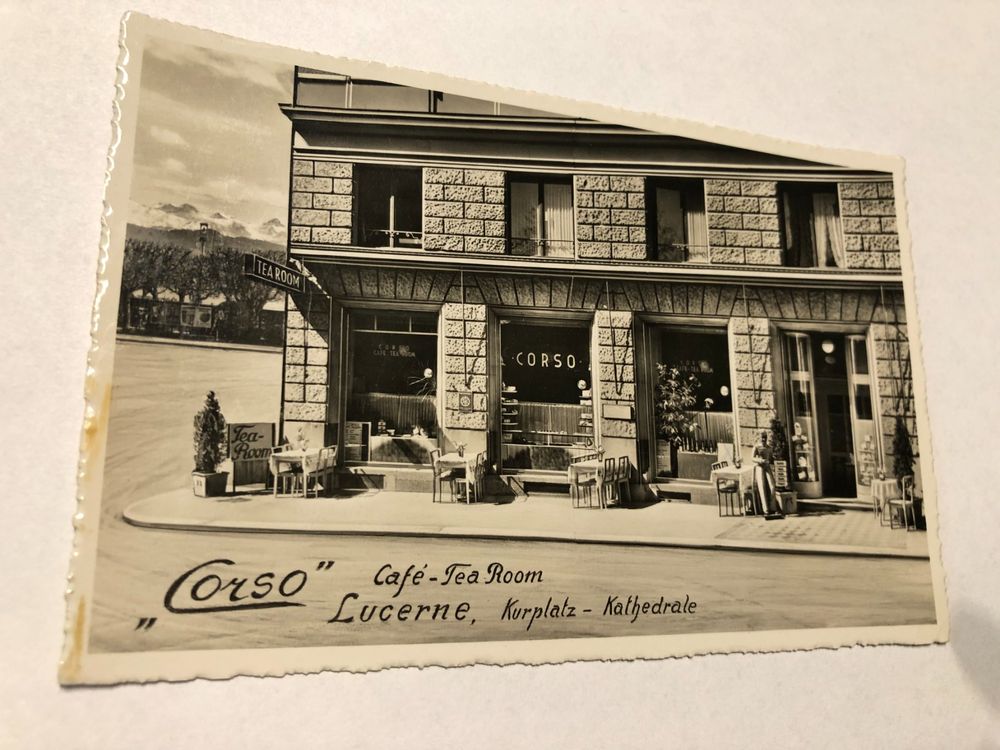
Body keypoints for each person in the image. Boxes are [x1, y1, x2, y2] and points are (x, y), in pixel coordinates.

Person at [752, 430, 780, 516]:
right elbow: (752, 458)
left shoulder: (769, 448)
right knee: (762, 487)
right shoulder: (756, 447)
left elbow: (771, 458)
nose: (763, 439)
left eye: (765, 437)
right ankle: (766, 510)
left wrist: (775, 458)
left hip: (767, 467)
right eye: (762, 438)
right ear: (759, 438)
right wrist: (760, 460)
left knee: (772, 486)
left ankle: (773, 507)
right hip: (760, 467)